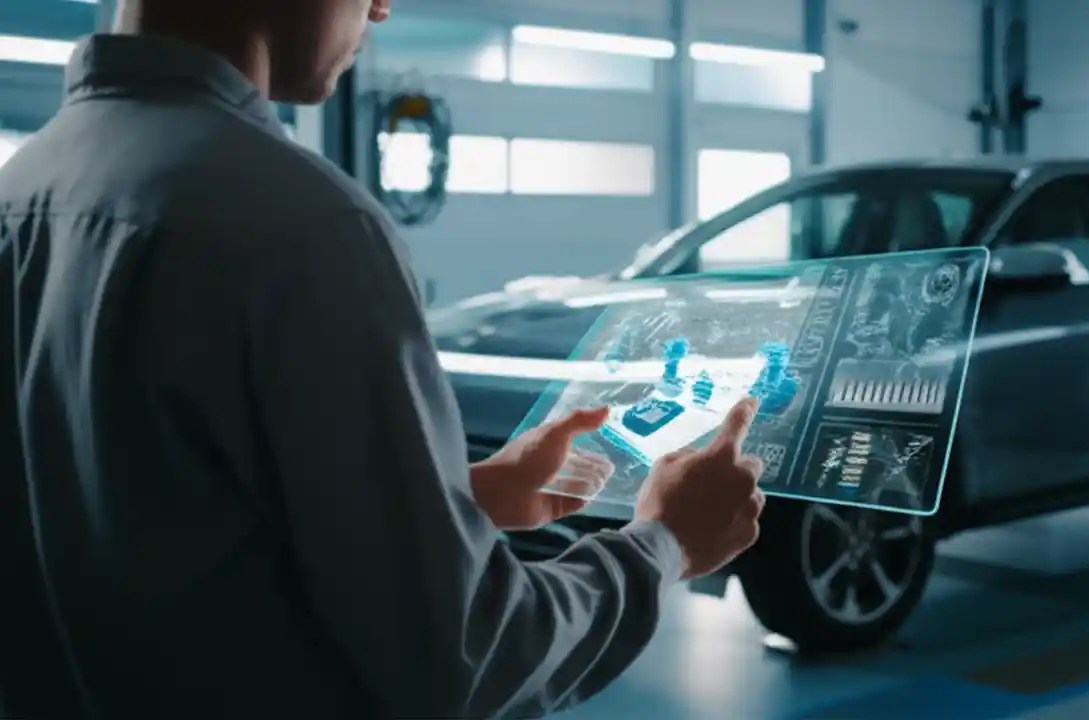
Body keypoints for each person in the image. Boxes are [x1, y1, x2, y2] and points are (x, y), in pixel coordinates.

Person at [0, 1, 767, 717]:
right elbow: (468, 659)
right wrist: (664, 542)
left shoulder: (28, 187)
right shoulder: (303, 223)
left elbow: (148, 518)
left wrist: (456, 505)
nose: (380, 7)